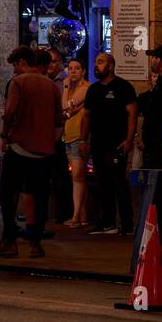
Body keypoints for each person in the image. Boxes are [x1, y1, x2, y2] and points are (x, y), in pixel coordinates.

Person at [0, 45, 63, 259]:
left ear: (22, 63)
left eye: (15, 65)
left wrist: (5, 136)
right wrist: (50, 139)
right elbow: (59, 120)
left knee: (8, 193)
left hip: (19, 146)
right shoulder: (51, 85)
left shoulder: (18, 82)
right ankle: (35, 244)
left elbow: (10, 111)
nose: (15, 70)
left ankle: (9, 241)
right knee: (39, 195)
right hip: (43, 150)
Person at [81, 52, 138, 235]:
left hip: (117, 143)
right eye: (96, 62)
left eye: (101, 62)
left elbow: (132, 114)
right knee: (101, 183)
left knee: (119, 182)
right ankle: (106, 222)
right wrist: (84, 141)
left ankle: (127, 224)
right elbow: (87, 116)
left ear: (111, 66)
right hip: (98, 143)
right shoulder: (94, 90)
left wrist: (129, 139)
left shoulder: (123, 87)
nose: (97, 65)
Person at [61, 57, 91, 226]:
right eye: (70, 68)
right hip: (69, 136)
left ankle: (76, 216)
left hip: (79, 137)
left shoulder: (85, 88)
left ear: (83, 71)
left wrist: (65, 86)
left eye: (77, 68)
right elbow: (66, 110)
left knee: (78, 176)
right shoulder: (73, 90)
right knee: (77, 177)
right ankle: (82, 215)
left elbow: (65, 106)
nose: (72, 71)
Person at [45, 48, 74, 223]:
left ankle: (65, 212)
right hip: (44, 135)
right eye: (48, 61)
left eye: (54, 61)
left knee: (61, 176)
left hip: (60, 136)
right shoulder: (43, 81)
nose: (50, 65)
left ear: (61, 62)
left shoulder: (65, 82)